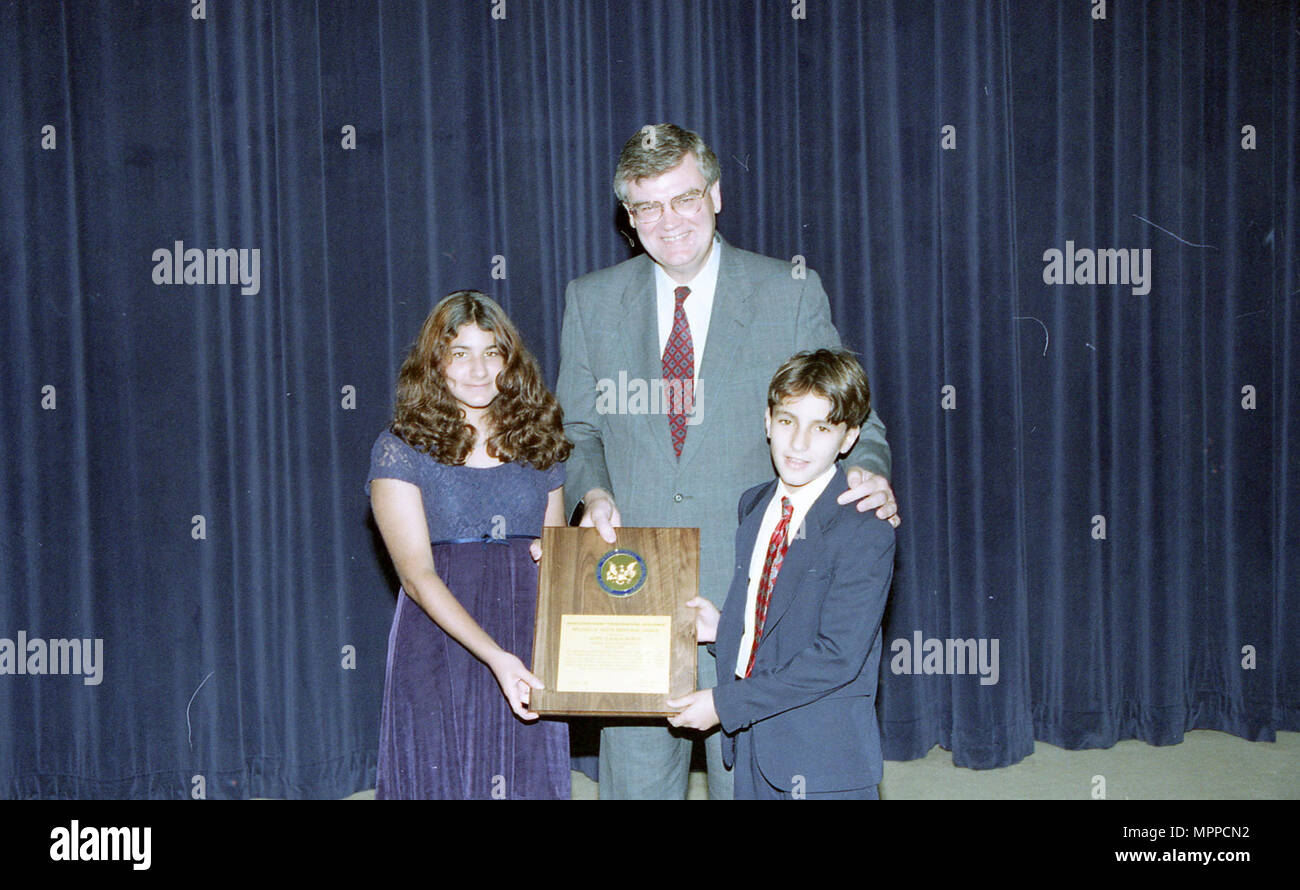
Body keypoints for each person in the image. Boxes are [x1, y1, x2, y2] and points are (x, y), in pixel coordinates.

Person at [556, 123, 898, 799]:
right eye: (647, 206)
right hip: (639, 599)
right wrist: (590, 493)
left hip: (757, 603)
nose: (668, 220)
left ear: (715, 194)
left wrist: (872, 474)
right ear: (628, 218)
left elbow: (860, 417)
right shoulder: (590, 301)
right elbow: (578, 429)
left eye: (683, 198)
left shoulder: (790, 291)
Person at [367, 290, 571, 799]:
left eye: (492, 352)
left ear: (511, 359)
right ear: (435, 362)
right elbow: (416, 576)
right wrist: (495, 657)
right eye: (460, 353)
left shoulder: (540, 439)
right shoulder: (399, 447)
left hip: (529, 638)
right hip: (440, 640)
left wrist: (569, 552)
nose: (479, 370)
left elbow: (559, 546)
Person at [667, 349, 895, 799]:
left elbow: (836, 657)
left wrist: (721, 703)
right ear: (767, 420)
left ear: (848, 438)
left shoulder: (865, 529)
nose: (799, 443)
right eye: (788, 421)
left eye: (822, 428)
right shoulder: (754, 505)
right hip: (753, 745)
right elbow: (770, 614)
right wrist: (724, 628)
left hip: (824, 758)